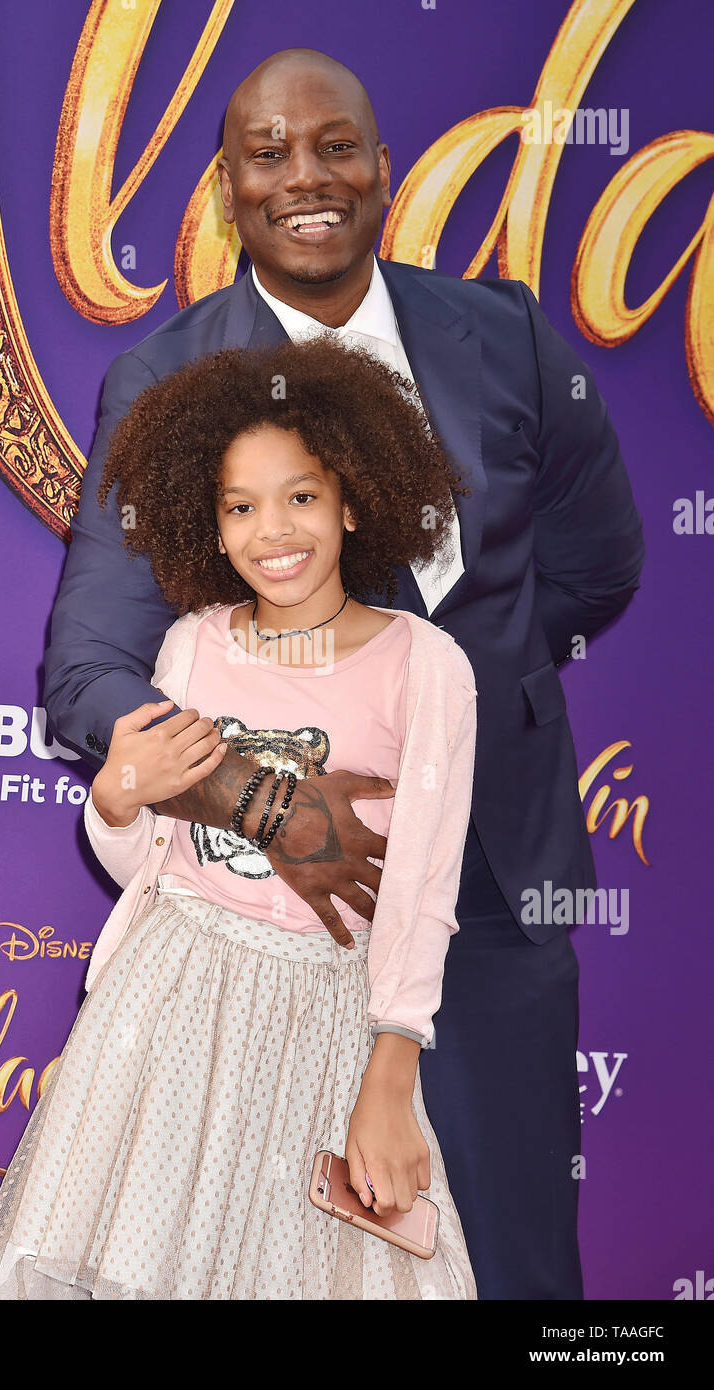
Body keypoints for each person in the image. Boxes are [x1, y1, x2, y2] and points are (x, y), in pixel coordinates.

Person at [39, 50, 645, 1299]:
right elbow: (88, 665)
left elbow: (595, 568)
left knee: (514, 1254)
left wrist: (443, 718)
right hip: (269, 930)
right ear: (225, 190)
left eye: (334, 147)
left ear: (381, 170)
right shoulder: (165, 382)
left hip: (492, 894)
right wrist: (262, 801)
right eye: (268, 153)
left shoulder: (510, 336)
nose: (305, 177)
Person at [0, 334, 478, 1300]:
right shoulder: (193, 644)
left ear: (354, 499)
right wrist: (114, 797)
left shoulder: (424, 666)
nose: (271, 532)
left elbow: (419, 891)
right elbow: (150, 859)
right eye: (239, 507)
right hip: (167, 1005)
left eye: (299, 497)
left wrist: (391, 1069)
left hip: (318, 1023)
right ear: (207, 523)